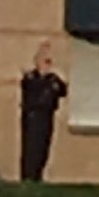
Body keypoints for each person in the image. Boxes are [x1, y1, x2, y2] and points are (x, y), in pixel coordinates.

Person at [18, 43, 68, 183]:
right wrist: (41, 52)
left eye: (49, 62)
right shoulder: (31, 78)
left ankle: (38, 174)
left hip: (47, 116)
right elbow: (30, 87)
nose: (48, 65)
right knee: (31, 147)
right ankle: (28, 175)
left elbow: (63, 91)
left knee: (43, 146)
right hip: (33, 116)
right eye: (45, 62)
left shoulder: (53, 79)